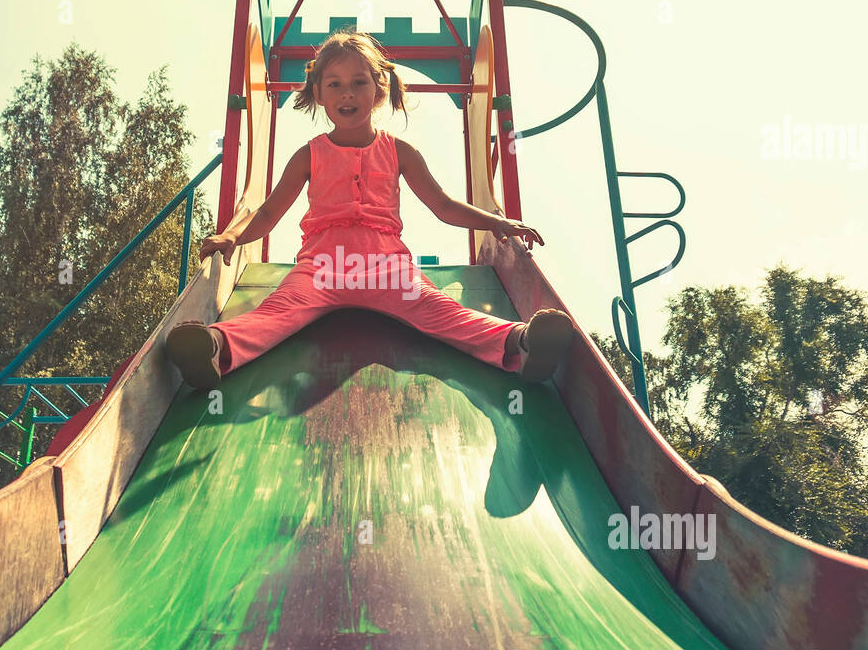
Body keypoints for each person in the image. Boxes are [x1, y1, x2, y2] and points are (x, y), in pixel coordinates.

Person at [166, 28, 574, 389]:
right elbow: (269, 213)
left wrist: (496, 222)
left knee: (440, 310)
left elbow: (443, 205)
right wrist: (232, 234)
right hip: (322, 265)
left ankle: (521, 342)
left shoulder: (400, 152)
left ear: (378, 90)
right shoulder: (308, 155)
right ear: (319, 94)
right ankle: (214, 347)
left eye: (359, 83)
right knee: (279, 311)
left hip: (386, 266)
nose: (348, 94)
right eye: (335, 84)